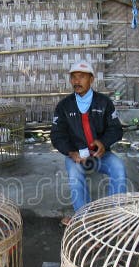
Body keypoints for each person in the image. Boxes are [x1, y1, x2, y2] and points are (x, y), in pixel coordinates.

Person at [50, 61, 127, 225]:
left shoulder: (104, 102)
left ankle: (114, 216)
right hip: (76, 155)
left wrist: (103, 143)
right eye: (74, 77)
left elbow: (116, 129)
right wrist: (71, 152)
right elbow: (57, 135)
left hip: (101, 155)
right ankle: (84, 221)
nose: (77, 81)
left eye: (82, 77)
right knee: (75, 175)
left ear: (91, 79)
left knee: (119, 168)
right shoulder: (64, 106)